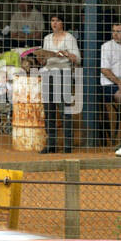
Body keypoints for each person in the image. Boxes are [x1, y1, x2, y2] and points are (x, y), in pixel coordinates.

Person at [38, 14, 80, 154]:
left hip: (64, 73)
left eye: (57, 21)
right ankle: (51, 144)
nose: (54, 23)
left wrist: (65, 54)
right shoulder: (47, 38)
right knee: (49, 109)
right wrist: (41, 58)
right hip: (48, 73)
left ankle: (68, 144)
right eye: (52, 21)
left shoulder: (69, 38)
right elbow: (45, 60)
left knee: (64, 110)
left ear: (63, 23)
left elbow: (77, 59)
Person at [100, 22, 121, 107]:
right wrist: (120, 83)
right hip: (110, 85)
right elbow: (104, 70)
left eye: (118, 31)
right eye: (113, 31)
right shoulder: (107, 46)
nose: (115, 34)